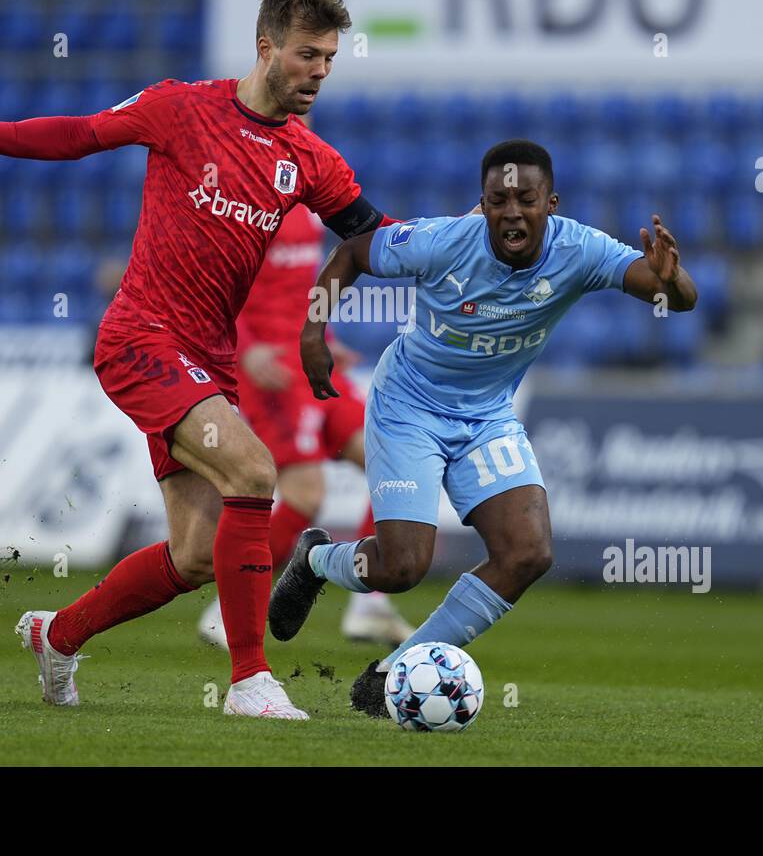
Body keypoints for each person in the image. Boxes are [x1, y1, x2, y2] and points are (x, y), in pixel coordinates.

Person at [0, 0, 405, 720]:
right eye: (307, 55)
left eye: (330, 57)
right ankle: (250, 681)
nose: (321, 71)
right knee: (255, 469)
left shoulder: (309, 158)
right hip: (140, 339)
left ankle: (58, 636)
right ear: (265, 49)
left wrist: (469, 264)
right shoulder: (181, 108)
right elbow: (79, 134)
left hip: (209, 362)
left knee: (196, 555)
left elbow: (376, 235)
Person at [267, 139, 698, 716]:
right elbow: (351, 254)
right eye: (498, 199)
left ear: (552, 202)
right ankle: (315, 560)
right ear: (484, 203)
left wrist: (675, 281)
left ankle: (395, 671)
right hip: (409, 408)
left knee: (527, 553)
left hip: (486, 417)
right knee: (402, 568)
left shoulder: (580, 249)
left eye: (526, 199)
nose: (512, 211)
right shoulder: (442, 241)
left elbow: (674, 295)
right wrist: (314, 332)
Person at [197, 203, 413, 650]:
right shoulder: (246, 203)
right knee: (304, 494)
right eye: (298, 124)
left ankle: (370, 603)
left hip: (311, 360)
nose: (303, 128)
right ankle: (227, 607)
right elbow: (218, 287)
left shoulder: (308, 202)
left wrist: (327, 341)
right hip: (271, 368)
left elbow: (300, 292)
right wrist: (247, 349)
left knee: (395, 464)